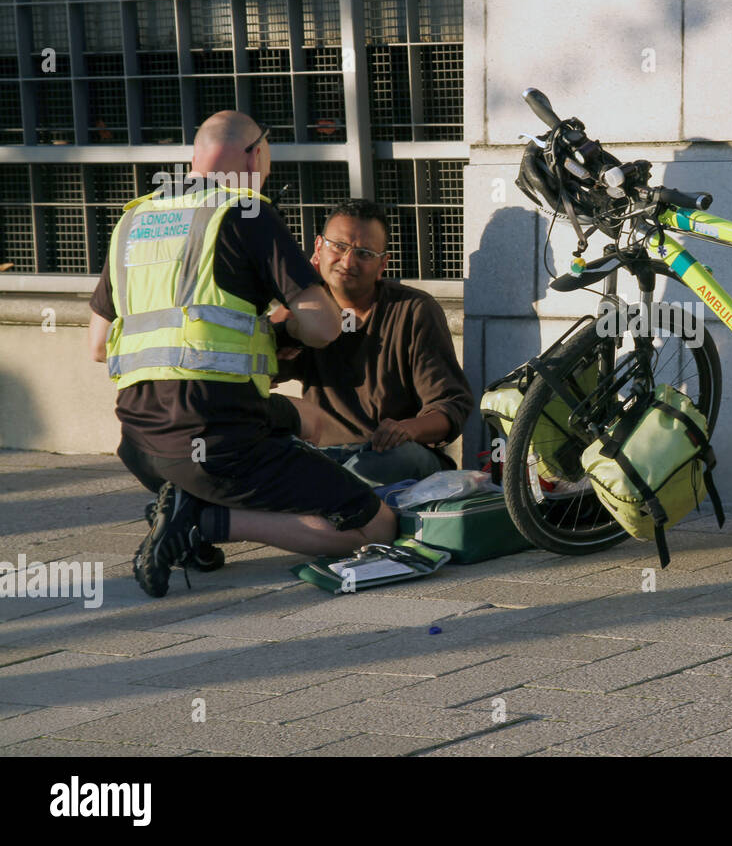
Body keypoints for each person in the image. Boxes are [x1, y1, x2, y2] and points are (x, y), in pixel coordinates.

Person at [87, 111, 397, 598]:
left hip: (141, 443)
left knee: (299, 416)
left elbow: (98, 345)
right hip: (219, 439)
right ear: (257, 153)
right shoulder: (245, 212)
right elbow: (322, 326)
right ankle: (205, 522)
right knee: (375, 526)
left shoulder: (135, 218)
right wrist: (291, 323)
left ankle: (191, 501)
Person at [272, 199, 472, 487]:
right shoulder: (306, 311)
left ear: (382, 265)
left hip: (395, 456)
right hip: (324, 453)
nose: (348, 262)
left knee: (375, 466)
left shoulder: (414, 310)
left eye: (364, 253)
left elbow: (452, 405)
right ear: (318, 248)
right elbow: (259, 371)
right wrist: (294, 301)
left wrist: (408, 429)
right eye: (337, 247)